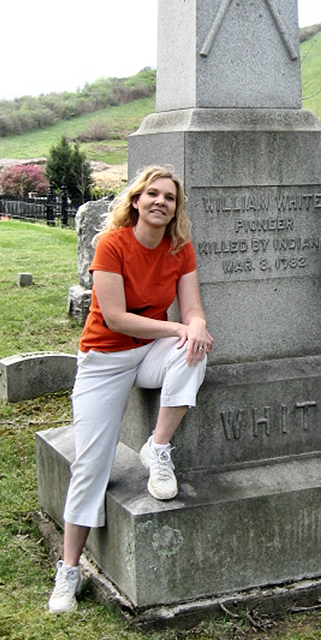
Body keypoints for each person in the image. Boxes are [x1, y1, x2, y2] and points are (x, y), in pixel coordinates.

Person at [48, 165, 213, 614]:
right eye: (152, 194)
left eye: (170, 198)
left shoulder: (179, 249)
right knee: (91, 464)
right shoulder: (113, 244)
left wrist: (194, 327)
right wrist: (178, 325)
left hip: (151, 353)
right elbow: (117, 317)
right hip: (105, 359)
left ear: (176, 208)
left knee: (193, 351)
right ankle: (69, 569)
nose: (161, 202)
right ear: (136, 201)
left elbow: (193, 309)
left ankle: (157, 448)